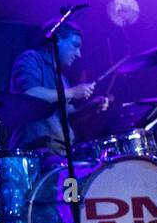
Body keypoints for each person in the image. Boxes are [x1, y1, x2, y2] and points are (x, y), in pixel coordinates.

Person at [9, 21, 97, 157]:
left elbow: (66, 114)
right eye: (75, 46)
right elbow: (28, 95)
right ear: (56, 40)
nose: (79, 54)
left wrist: (91, 107)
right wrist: (72, 92)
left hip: (62, 152)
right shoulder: (30, 59)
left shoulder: (62, 77)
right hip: (35, 154)